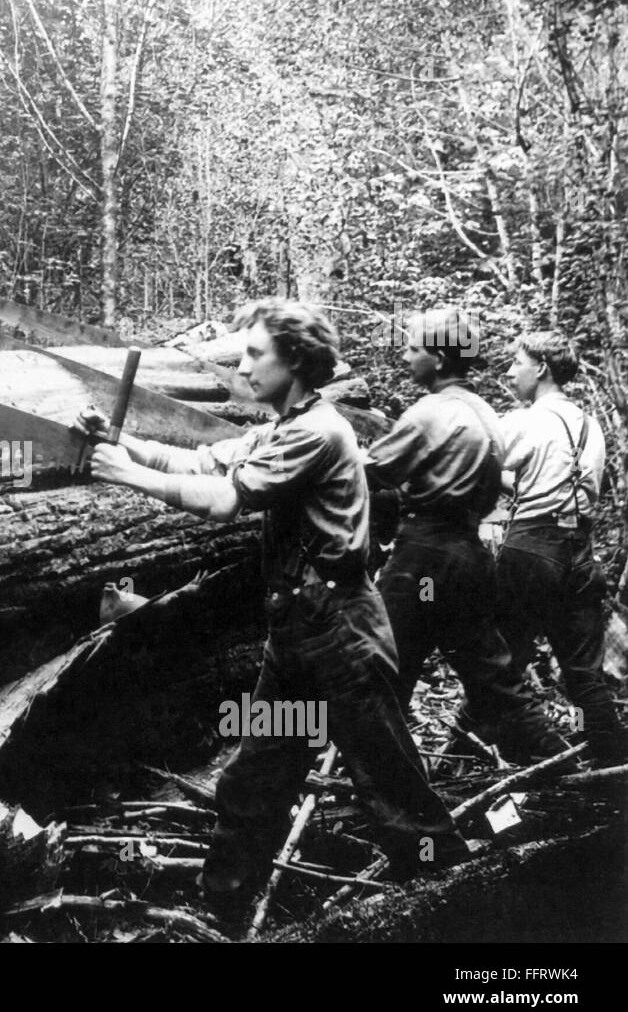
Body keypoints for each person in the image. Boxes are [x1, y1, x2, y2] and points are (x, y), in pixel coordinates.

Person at [78, 298, 468, 914]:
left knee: (392, 791)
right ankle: (221, 909)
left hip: (343, 642)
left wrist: (127, 476)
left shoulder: (319, 431)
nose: (244, 363)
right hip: (295, 641)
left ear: (296, 359)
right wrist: (121, 444)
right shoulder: (283, 427)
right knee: (252, 780)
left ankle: (465, 908)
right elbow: (201, 461)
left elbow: (223, 501)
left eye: (257, 353)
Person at [365, 309, 563, 762]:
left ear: (436, 358)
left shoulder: (432, 411)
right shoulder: (485, 411)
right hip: (468, 556)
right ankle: (568, 766)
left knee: (385, 667)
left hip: (425, 559)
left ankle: (393, 790)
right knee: (495, 677)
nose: (406, 355)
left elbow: (375, 469)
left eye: (413, 348)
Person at [494, 332, 628, 767]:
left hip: (531, 549)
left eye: (517, 363)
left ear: (542, 368)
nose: (510, 373)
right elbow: (568, 483)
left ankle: (538, 753)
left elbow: (477, 463)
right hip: (580, 554)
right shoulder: (590, 426)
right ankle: (613, 770)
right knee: (585, 674)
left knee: (501, 663)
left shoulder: (523, 421)